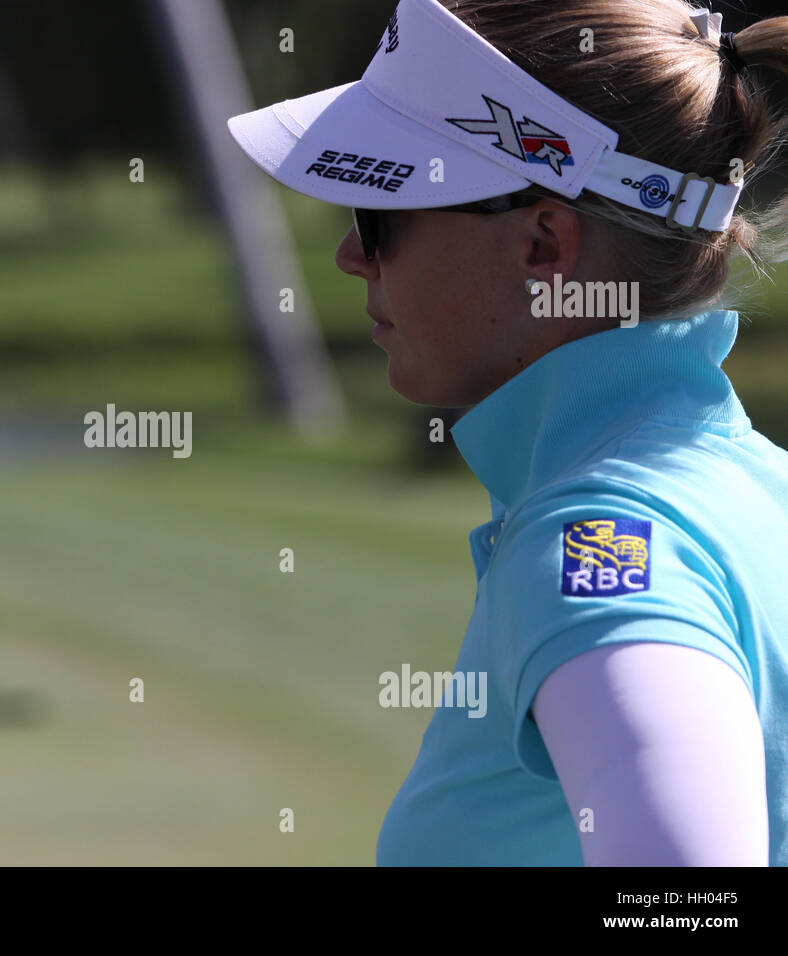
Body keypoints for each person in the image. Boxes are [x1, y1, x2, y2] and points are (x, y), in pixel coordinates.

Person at [228, 0, 788, 865]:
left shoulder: (588, 544)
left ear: (542, 245)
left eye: (383, 215)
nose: (350, 256)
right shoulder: (758, 487)